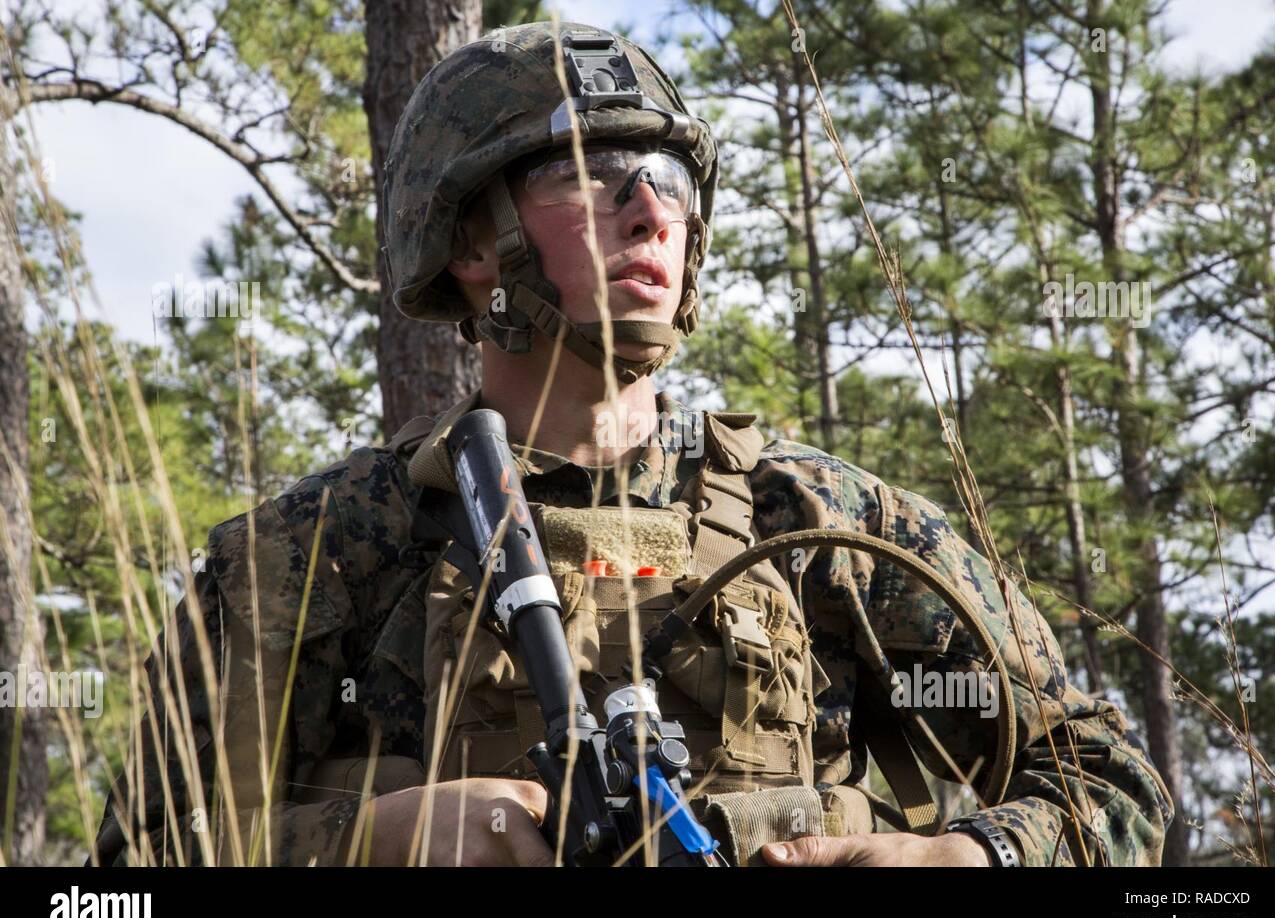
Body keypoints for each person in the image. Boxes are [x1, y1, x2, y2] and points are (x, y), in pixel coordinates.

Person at [91, 21, 1172, 868]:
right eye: (586, 170)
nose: (650, 211)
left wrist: (962, 854)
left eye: (670, 181)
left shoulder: (823, 524)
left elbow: (1111, 779)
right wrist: (368, 840)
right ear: (470, 241)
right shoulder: (320, 548)